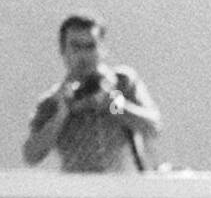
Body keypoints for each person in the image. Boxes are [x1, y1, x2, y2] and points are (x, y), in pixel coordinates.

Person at [23, 13, 162, 174]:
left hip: (125, 189)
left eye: (90, 47)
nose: (83, 56)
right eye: (76, 47)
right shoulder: (54, 99)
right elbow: (31, 155)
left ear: (102, 49)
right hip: (80, 192)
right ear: (63, 51)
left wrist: (113, 106)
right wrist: (61, 114)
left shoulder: (122, 83)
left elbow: (154, 127)